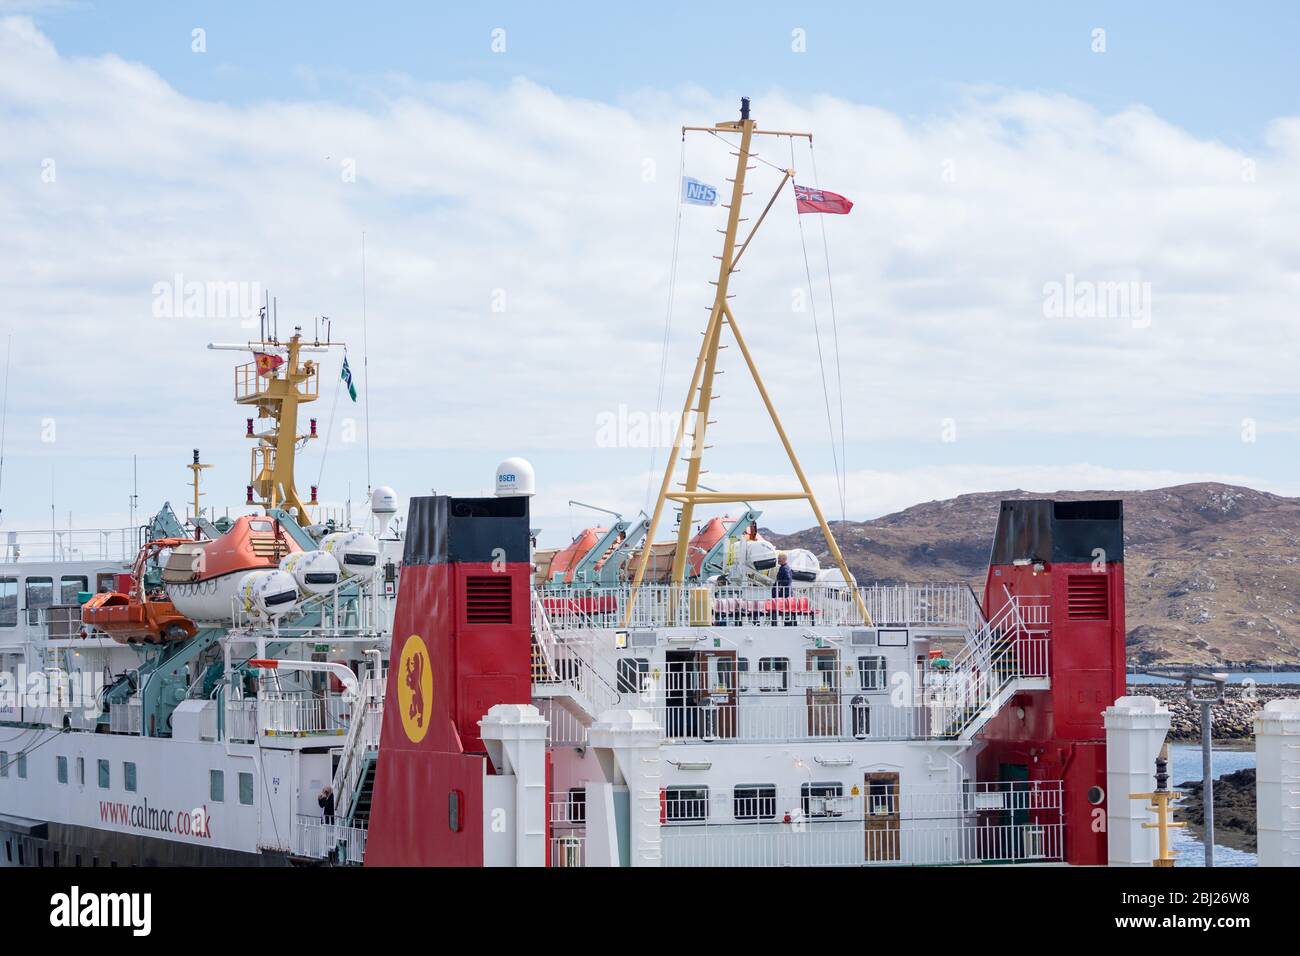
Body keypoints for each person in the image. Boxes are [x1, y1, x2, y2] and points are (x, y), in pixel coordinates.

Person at [771, 552, 794, 625]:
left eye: (779, 559)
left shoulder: (785, 568)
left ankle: (787, 623)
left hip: (785, 593)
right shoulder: (784, 568)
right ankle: (786, 622)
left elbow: (787, 580)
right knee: (784, 609)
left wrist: (779, 583)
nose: (778, 560)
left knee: (785, 608)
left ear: (784, 559)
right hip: (783, 592)